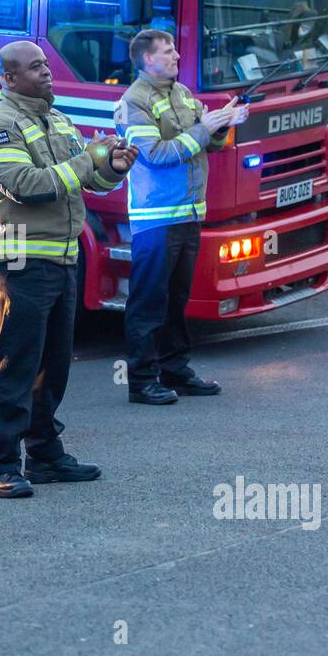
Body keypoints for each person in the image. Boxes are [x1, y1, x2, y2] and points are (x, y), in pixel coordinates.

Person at [0, 40, 137, 499]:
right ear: (8, 77)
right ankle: (0, 465)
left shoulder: (57, 119)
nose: (47, 72)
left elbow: (84, 182)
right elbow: (26, 186)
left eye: (46, 65)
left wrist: (114, 169)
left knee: (54, 365)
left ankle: (43, 454)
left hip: (62, 258)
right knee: (18, 364)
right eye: (36, 67)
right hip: (22, 261)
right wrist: (88, 159)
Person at [115, 29, 247, 405]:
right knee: (148, 301)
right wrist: (204, 127)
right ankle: (141, 380)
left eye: (175, 49)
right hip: (156, 217)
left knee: (176, 299)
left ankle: (175, 369)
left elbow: (207, 142)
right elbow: (156, 155)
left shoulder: (182, 93)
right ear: (146, 60)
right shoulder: (132, 103)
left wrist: (222, 124)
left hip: (188, 213)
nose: (176, 56)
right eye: (167, 51)